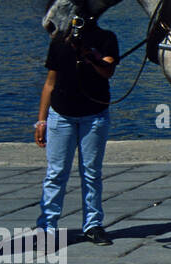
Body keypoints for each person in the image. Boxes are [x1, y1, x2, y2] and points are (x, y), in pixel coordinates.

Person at [34, 19, 119, 245]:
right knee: (56, 173)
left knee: (91, 173)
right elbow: (49, 83)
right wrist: (41, 121)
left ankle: (93, 224)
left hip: (94, 115)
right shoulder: (59, 42)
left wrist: (89, 55)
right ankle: (47, 227)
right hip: (61, 114)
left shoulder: (106, 38)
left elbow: (107, 71)